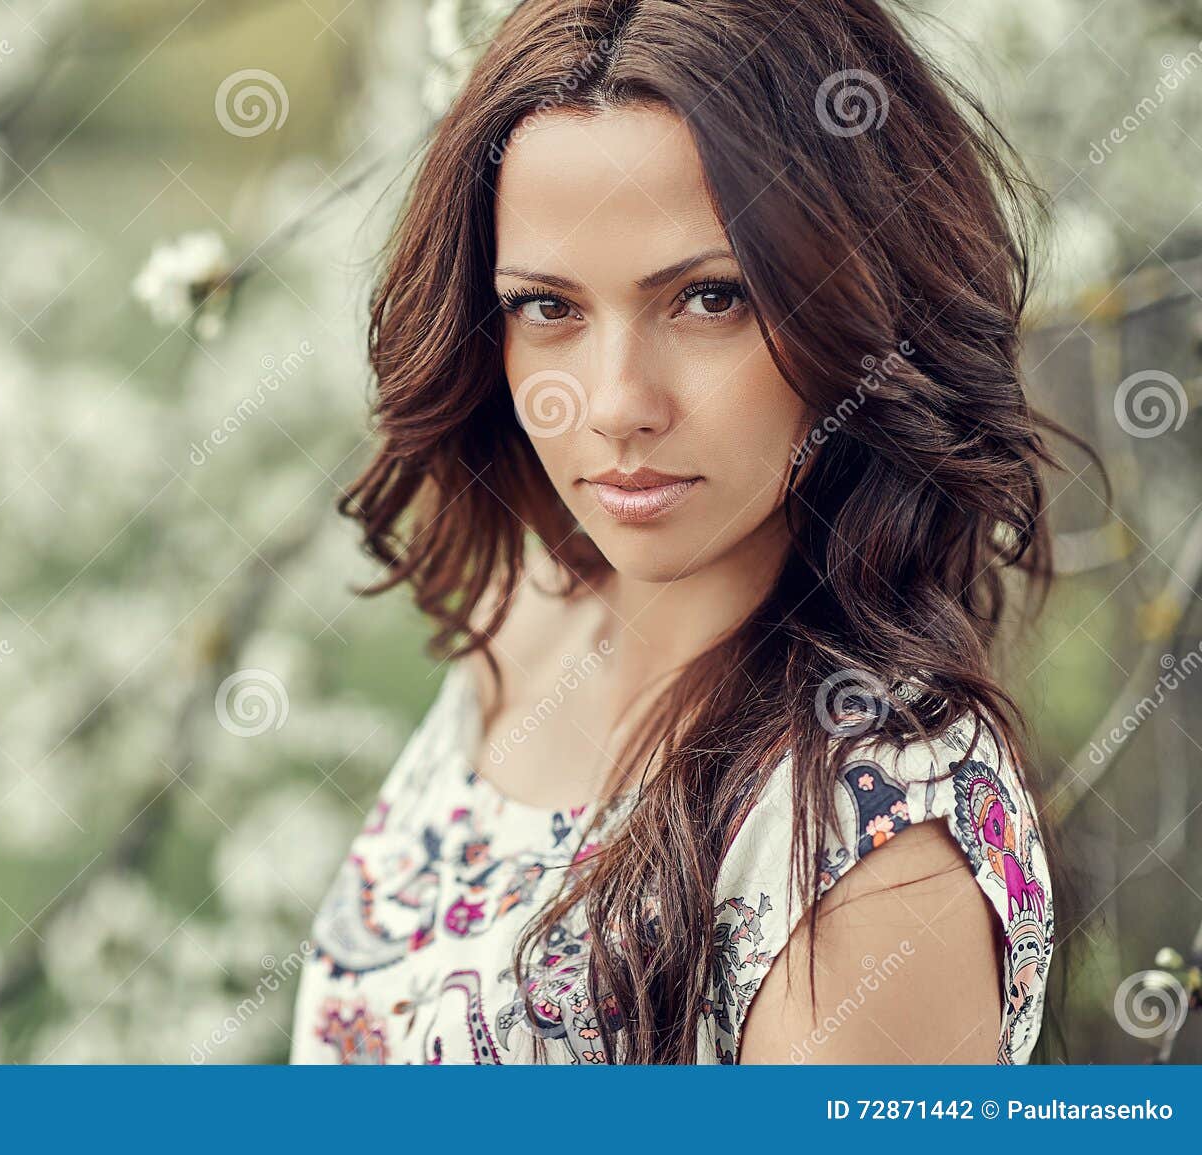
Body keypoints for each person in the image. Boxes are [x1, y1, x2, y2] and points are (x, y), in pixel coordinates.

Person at [290, 0, 1095, 1065]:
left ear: (859, 306)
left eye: (710, 298)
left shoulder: (872, 843)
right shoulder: (528, 615)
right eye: (548, 307)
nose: (616, 405)